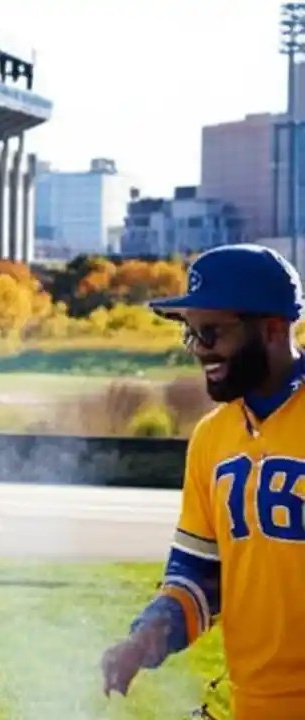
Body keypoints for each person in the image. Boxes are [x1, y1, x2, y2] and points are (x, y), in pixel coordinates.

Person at [100, 244, 305, 719]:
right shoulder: (212, 438)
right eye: (190, 332)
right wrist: (147, 635)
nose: (199, 348)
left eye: (212, 331)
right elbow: (199, 573)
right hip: (254, 705)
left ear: (274, 328)